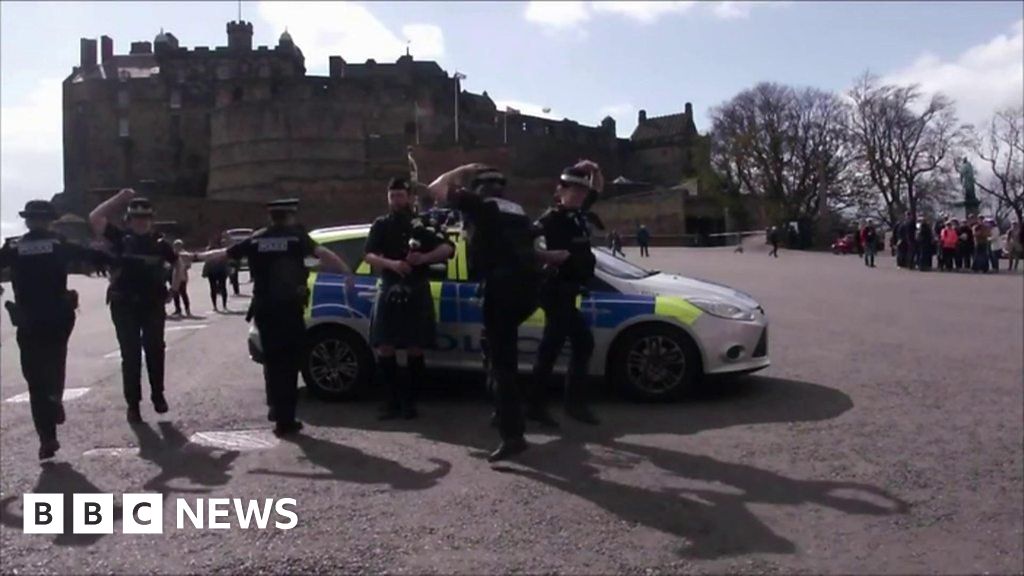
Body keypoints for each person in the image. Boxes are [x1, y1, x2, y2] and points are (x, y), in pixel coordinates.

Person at [428, 163, 567, 462]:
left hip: (501, 290)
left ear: (478, 188)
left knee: (503, 364)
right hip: (528, 291)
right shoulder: (516, 210)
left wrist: (462, 169)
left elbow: (435, 189)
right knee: (495, 348)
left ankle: (513, 435)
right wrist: (550, 256)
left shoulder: (481, 205)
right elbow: (524, 250)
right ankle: (501, 405)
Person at [192, 199, 352, 436]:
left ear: (271, 216)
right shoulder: (296, 237)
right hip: (289, 309)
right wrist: (346, 272)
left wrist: (193, 256)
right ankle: (286, 418)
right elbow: (323, 253)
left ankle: (275, 409)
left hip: (265, 310)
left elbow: (224, 254)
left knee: (271, 360)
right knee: (290, 362)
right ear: (290, 216)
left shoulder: (257, 238)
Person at [0, 201, 105, 459]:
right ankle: (54, 399)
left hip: (29, 319)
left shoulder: (14, 247)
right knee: (55, 362)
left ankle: (47, 437)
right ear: (50, 221)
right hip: (58, 316)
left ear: (28, 221)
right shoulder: (60, 244)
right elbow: (91, 256)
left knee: (34, 377)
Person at [364, 177, 454, 421]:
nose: (396, 200)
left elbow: (448, 249)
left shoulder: (425, 223)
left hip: (416, 287)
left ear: (410, 197)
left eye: (400, 195)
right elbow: (369, 256)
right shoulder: (381, 224)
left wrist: (423, 259)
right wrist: (392, 263)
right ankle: (391, 401)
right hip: (390, 284)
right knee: (385, 346)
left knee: (415, 347)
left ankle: (410, 402)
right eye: (392, 196)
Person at [89, 190, 183, 423]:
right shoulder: (120, 238)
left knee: (155, 350)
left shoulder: (161, 244)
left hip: (152, 303)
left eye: (145, 217)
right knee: (130, 356)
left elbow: (178, 263)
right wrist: (120, 198)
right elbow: (95, 217)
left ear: (151, 220)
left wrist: (174, 288)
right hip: (124, 304)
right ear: (129, 220)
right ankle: (133, 405)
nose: (141, 221)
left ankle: (158, 395)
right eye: (136, 218)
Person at [528, 162, 606, 429]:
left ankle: (551, 405)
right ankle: (559, 405)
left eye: (582, 192)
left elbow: (596, 189)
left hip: (571, 289)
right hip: (555, 289)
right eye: (574, 190)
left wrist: (594, 169)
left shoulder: (579, 213)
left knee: (559, 346)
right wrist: (548, 255)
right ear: (559, 191)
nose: (580, 195)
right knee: (571, 344)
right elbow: (526, 250)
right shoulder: (549, 220)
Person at [202, 236, 230, 311]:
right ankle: (215, 306)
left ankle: (224, 305)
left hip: (221, 270)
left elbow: (226, 259)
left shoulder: (222, 249)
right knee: (213, 288)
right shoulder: (208, 250)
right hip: (212, 270)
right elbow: (206, 261)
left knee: (222, 287)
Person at [170, 239, 193, 317]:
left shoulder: (185, 254)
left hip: (183, 277)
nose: (176, 247)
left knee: (183, 293)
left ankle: (187, 309)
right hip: (174, 276)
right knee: (175, 293)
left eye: (178, 245)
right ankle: (178, 310)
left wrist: (184, 266)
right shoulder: (172, 254)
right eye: (175, 245)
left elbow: (189, 265)